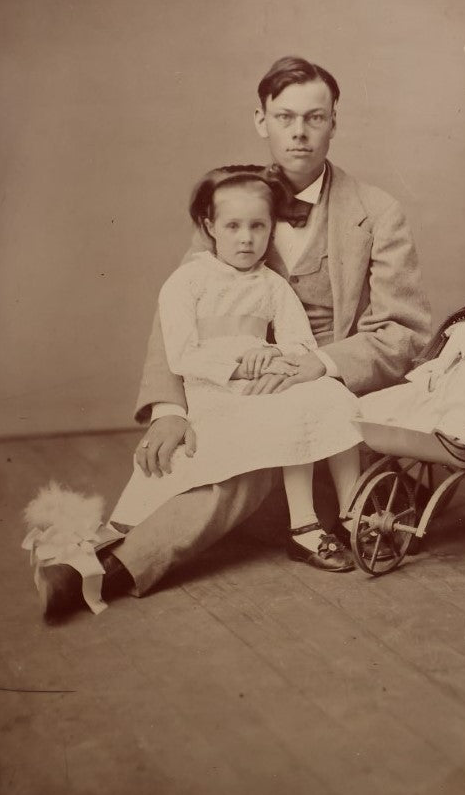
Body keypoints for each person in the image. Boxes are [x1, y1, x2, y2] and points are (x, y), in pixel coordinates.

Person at [57, 55, 430, 611]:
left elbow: (403, 330)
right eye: (284, 117)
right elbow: (182, 307)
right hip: (234, 378)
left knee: (253, 452)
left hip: (327, 380)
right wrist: (169, 410)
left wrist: (319, 365)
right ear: (261, 121)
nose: (299, 133)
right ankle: (111, 547)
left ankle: (122, 568)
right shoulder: (233, 200)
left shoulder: (377, 212)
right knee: (200, 446)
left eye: (314, 117)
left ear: (335, 121)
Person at [109, 166, 362, 571]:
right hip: (214, 393)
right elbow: (182, 354)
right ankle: (305, 527)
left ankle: (351, 514)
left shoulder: (273, 286)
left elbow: (300, 344)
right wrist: (240, 364)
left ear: (271, 228)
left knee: (331, 395)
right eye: (233, 226)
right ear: (210, 226)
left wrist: (272, 355)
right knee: (291, 412)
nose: (246, 238)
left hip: (263, 386)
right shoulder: (187, 282)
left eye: (258, 226)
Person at [357, 259, 465, 461]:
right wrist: (439, 369)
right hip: (456, 371)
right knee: (421, 394)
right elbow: (452, 350)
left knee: (459, 403)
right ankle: (413, 426)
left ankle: (450, 430)